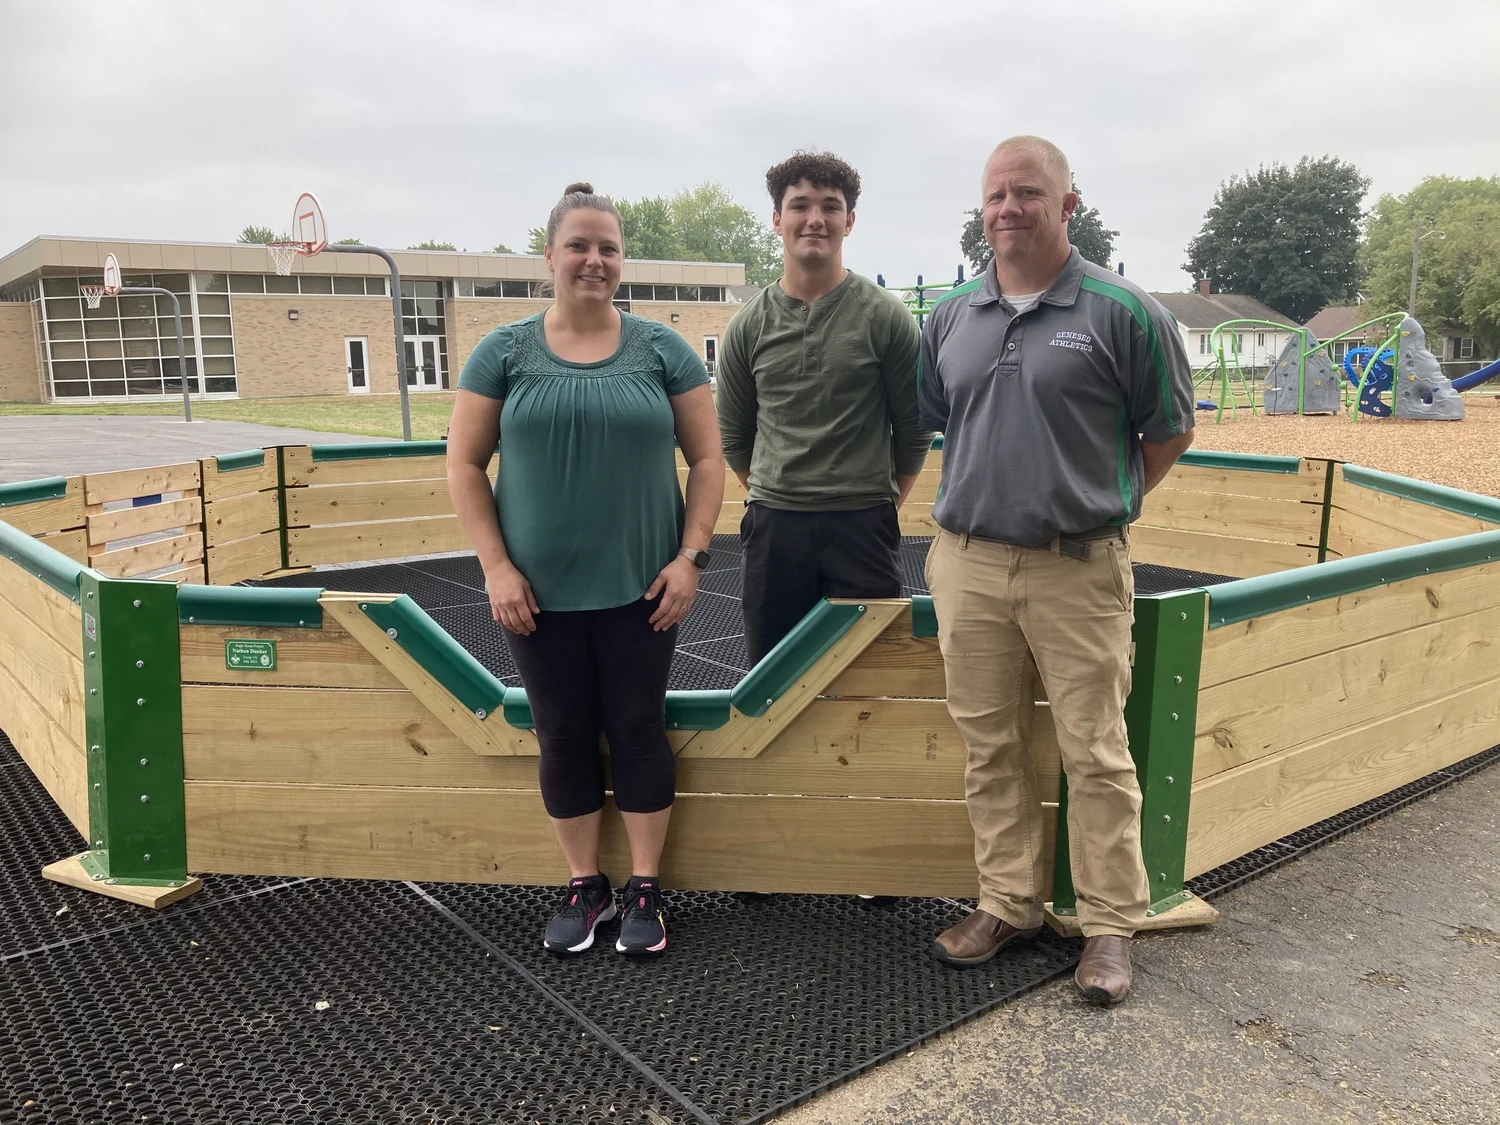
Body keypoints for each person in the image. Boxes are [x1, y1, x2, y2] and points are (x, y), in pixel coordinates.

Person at [918, 137, 1195, 1004]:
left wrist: (1093, 501)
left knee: (1095, 749)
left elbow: (1168, 431)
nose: (1010, 208)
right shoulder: (953, 315)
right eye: (997, 194)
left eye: (1029, 192)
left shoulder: (1122, 310)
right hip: (966, 562)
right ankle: (1008, 902)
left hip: (1078, 568)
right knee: (990, 744)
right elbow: (938, 418)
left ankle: (1110, 925)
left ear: (1068, 204)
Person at [447, 183, 724, 958]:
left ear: (621, 259)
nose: (593, 260)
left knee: (637, 728)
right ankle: (583, 882)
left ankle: (644, 887)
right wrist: (497, 567)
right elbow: (465, 464)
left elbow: (707, 458)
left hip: (645, 588)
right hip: (535, 594)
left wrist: (691, 558)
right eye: (579, 245)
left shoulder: (660, 348)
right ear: (550, 255)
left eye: (607, 247)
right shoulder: (502, 351)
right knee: (562, 732)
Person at [716, 151, 934, 669]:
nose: (815, 219)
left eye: (830, 207)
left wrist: (877, 503)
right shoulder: (749, 326)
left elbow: (913, 427)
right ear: (777, 219)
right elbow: (734, 435)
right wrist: (782, 490)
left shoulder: (886, 317)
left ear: (849, 221)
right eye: (800, 206)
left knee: (871, 673)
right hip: (775, 529)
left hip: (863, 527)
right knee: (771, 678)